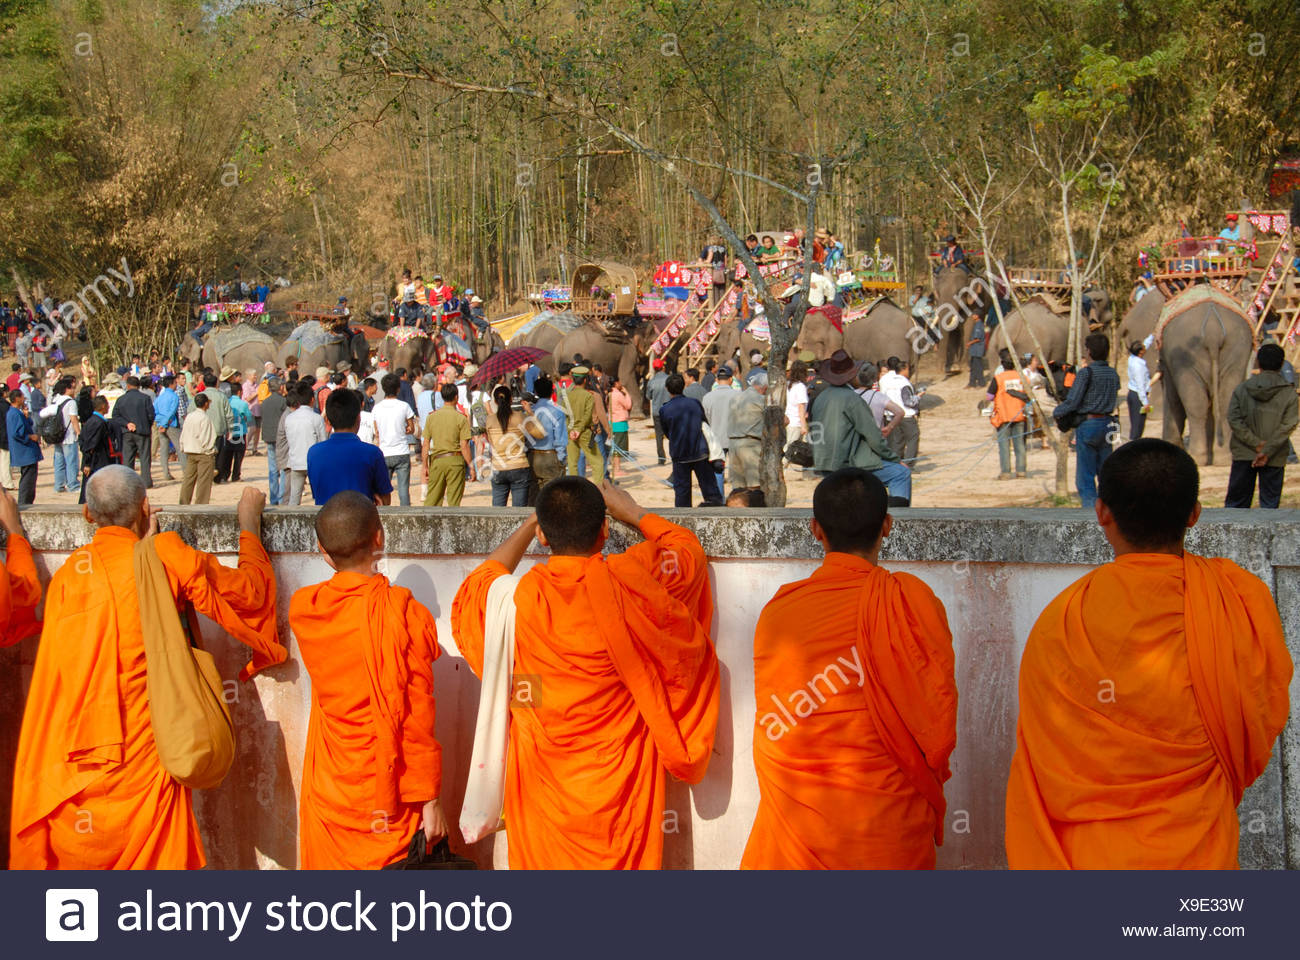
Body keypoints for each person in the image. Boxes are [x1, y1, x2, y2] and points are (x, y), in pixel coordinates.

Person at [1005, 439, 1292, 868]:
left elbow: (1045, 753)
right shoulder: (1237, 598)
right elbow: (1261, 714)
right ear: (1194, 513)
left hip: (1089, 857)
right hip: (1200, 852)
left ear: (1101, 512)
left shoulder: (1063, 619)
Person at [9, 469, 286, 868]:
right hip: (144, 760)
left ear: (87, 514)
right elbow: (250, 595)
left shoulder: (70, 576)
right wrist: (249, 525)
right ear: (145, 507)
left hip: (73, 770)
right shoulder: (165, 557)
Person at [451, 478, 720, 868]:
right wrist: (634, 512)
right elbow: (686, 552)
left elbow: (478, 587)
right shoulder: (632, 581)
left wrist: (532, 522)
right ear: (605, 529)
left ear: (544, 537)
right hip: (620, 777)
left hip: (541, 783)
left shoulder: (518, 598)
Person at [742, 469, 956, 868]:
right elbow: (937, 726)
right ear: (887, 525)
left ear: (815, 530)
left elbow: (776, 726)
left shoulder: (780, 612)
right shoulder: (912, 602)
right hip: (889, 828)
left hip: (801, 825)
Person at [290, 491, 445, 867]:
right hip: (388, 789)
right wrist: (431, 799)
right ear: (380, 537)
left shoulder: (306, 608)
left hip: (332, 784)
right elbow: (417, 717)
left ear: (323, 552)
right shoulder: (405, 615)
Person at [810, 351, 912, 505]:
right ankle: (899, 516)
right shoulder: (852, 399)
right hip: (848, 464)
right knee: (901, 473)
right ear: (852, 375)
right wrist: (895, 459)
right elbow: (873, 437)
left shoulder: (821, 398)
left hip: (823, 463)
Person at [1225, 342, 1300, 509]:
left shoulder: (1242, 389)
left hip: (1244, 453)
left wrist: (1256, 444)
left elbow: (1234, 419)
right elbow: (1289, 425)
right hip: (1274, 456)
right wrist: (1267, 450)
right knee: (1269, 508)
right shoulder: (1289, 394)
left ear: (1257, 362)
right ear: (1282, 364)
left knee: (1236, 507)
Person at [1050, 333, 1121, 508]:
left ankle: (1090, 513)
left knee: (1085, 477)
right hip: (1108, 424)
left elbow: (1073, 401)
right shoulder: (1113, 373)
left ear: (1089, 352)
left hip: (1089, 425)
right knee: (1105, 473)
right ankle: (1108, 511)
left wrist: (1057, 412)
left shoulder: (1086, 373)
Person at [308, 388, 393, 505]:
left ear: (327, 420)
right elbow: (385, 500)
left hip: (326, 515)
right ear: (358, 418)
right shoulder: (372, 453)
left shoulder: (314, 453)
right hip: (362, 514)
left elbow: (317, 493)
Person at [659, 372, 723, 507]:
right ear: (684, 386)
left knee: (682, 492)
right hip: (700, 451)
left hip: (679, 454)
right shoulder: (694, 403)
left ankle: (684, 517)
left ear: (667, 389)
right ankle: (716, 513)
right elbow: (704, 423)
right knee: (710, 490)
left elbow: (667, 432)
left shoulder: (665, 409)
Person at [422, 384, 474, 506]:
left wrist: (425, 466)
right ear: (456, 397)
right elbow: (464, 446)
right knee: (454, 502)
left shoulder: (431, 417)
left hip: (437, 461)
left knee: (432, 501)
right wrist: (471, 466)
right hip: (455, 461)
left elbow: (425, 444)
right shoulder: (461, 418)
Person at [984, 349, 1030, 479]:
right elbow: (1028, 393)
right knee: (1020, 445)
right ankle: (1021, 471)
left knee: (1004, 446)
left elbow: (989, 396)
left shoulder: (998, 378)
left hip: (1003, 415)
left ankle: (1005, 472)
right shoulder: (1022, 377)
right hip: (1019, 414)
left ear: (1002, 364)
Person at [373, 373, 417, 506]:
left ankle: (384, 514)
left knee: (383, 490)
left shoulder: (377, 408)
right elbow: (412, 429)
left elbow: (376, 432)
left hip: (384, 452)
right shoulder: (404, 406)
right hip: (402, 451)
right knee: (403, 490)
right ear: (398, 389)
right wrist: (405, 429)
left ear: (383, 388)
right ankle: (406, 514)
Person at [281, 380, 328, 505]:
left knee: (294, 498)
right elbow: (323, 442)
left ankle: (291, 516)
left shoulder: (289, 418)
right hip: (314, 462)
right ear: (312, 399)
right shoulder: (316, 418)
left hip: (295, 461)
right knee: (319, 497)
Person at [484, 384, 531, 506]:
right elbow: (539, 433)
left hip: (498, 467)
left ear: (495, 401)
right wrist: (530, 412)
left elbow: (491, 443)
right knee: (519, 511)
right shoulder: (520, 416)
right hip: (519, 466)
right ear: (511, 399)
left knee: (498, 511)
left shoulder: (490, 419)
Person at [562, 366, 609, 482]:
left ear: (573, 380)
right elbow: (587, 416)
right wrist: (578, 429)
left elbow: (565, 416)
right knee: (598, 462)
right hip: (585, 433)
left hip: (570, 434)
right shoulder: (588, 395)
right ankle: (598, 488)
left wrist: (571, 430)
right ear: (585, 380)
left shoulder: (567, 396)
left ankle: (575, 489)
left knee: (572, 463)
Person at [523, 375, 566, 503]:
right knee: (551, 496)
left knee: (533, 495)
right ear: (552, 392)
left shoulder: (528, 412)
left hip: (532, 456)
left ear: (536, 392)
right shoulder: (558, 412)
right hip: (550, 457)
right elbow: (560, 440)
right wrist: (562, 459)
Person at [727, 369, 768, 489]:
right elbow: (780, 420)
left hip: (733, 444)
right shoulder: (760, 399)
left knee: (738, 488)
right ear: (765, 388)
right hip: (750, 445)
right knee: (755, 486)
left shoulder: (735, 398)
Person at [112, 376, 155, 487]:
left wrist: (126, 424)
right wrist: (146, 425)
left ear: (128, 385)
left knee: (128, 458)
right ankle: (146, 482)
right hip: (143, 431)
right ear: (138, 385)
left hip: (127, 432)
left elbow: (115, 416)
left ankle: (128, 482)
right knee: (145, 457)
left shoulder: (121, 399)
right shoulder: (145, 398)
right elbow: (151, 415)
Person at [878, 357, 921, 465]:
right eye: (908, 369)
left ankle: (896, 464)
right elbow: (908, 402)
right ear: (903, 369)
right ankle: (909, 464)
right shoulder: (904, 382)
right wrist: (918, 396)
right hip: (906, 415)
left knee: (897, 441)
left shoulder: (884, 380)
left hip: (891, 414)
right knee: (913, 437)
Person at [178, 392, 218, 505]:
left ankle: (183, 503)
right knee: (203, 481)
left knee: (188, 480)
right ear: (206, 404)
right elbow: (207, 438)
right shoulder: (205, 418)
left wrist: (183, 446)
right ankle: (201, 505)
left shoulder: (190, 416)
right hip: (203, 453)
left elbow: (184, 433)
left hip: (190, 451)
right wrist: (210, 451)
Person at [43, 377, 80, 494]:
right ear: (67, 389)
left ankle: (59, 485)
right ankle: (73, 485)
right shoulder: (71, 402)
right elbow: (73, 419)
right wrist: (79, 432)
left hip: (57, 436)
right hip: (68, 436)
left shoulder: (56, 400)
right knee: (71, 461)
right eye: (72, 388)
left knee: (59, 462)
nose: (74, 390)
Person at [6, 390, 40, 504]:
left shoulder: (17, 412)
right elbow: (16, 433)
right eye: (22, 397)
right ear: (17, 399)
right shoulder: (14, 413)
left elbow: (25, 426)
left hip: (26, 451)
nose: (24, 399)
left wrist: (26, 416)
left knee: (30, 478)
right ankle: (24, 503)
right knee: (27, 479)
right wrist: (30, 437)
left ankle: (27, 502)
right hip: (25, 451)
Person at [853, 364, 904, 433]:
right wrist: (889, 428)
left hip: (854, 435)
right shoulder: (879, 397)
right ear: (875, 379)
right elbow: (900, 412)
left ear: (857, 378)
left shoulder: (850, 394)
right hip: (875, 435)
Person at [260, 377, 287, 505]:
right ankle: (281, 498)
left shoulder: (264, 402)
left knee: (272, 469)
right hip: (281, 437)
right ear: (280, 387)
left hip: (269, 436)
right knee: (283, 468)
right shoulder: (283, 401)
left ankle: (274, 498)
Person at [216, 387, 251, 484]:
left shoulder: (227, 402)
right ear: (239, 392)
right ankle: (236, 475)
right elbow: (249, 417)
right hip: (240, 432)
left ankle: (224, 475)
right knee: (238, 456)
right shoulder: (243, 404)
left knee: (227, 455)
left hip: (228, 432)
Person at [152, 374, 181, 483]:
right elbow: (172, 412)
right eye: (175, 383)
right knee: (180, 448)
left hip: (160, 425)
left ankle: (166, 473)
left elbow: (155, 411)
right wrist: (164, 424)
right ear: (171, 384)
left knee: (164, 450)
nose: (176, 385)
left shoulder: (159, 397)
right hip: (171, 425)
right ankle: (187, 471)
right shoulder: (174, 396)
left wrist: (160, 423)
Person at [1125, 336, 1156, 441]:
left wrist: (1152, 336)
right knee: (1138, 427)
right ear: (1140, 352)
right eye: (1143, 348)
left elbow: (1145, 345)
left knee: (1135, 424)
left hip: (1132, 394)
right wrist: (1145, 403)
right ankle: (1133, 446)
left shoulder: (1132, 358)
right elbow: (1141, 386)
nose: (1145, 348)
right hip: (1138, 397)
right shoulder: (1139, 366)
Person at [784, 359, 810, 454]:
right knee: (791, 451)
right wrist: (804, 426)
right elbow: (801, 408)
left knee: (789, 448)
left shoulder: (788, 385)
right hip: (796, 423)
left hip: (788, 421)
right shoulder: (800, 387)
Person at [967, 313, 987, 388]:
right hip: (974, 350)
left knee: (978, 367)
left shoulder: (978, 325)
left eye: (974, 315)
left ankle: (981, 383)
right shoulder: (977, 324)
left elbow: (978, 338)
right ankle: (972, 383)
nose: (972, 316)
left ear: (977, 316)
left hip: (977, 349)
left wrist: (969, 343)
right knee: (973, 366)